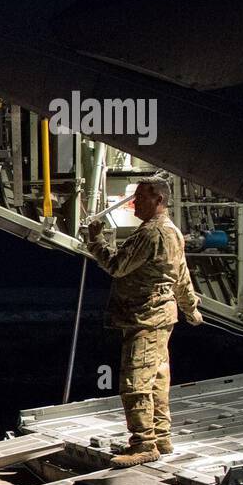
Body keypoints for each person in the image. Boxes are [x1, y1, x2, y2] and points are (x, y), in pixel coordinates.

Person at [83, 178, 202, 467]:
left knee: (135, 383)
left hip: (144, 318)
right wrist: (191, 309)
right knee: (158, 380)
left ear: (158, 199)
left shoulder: (150, 234)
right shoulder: (172, 232)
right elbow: (181, 277)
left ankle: (143, 444)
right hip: (162, 316)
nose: (135, 202)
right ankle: (161, 436)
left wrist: (94, 240)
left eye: (140, 197)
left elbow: (116, 266)